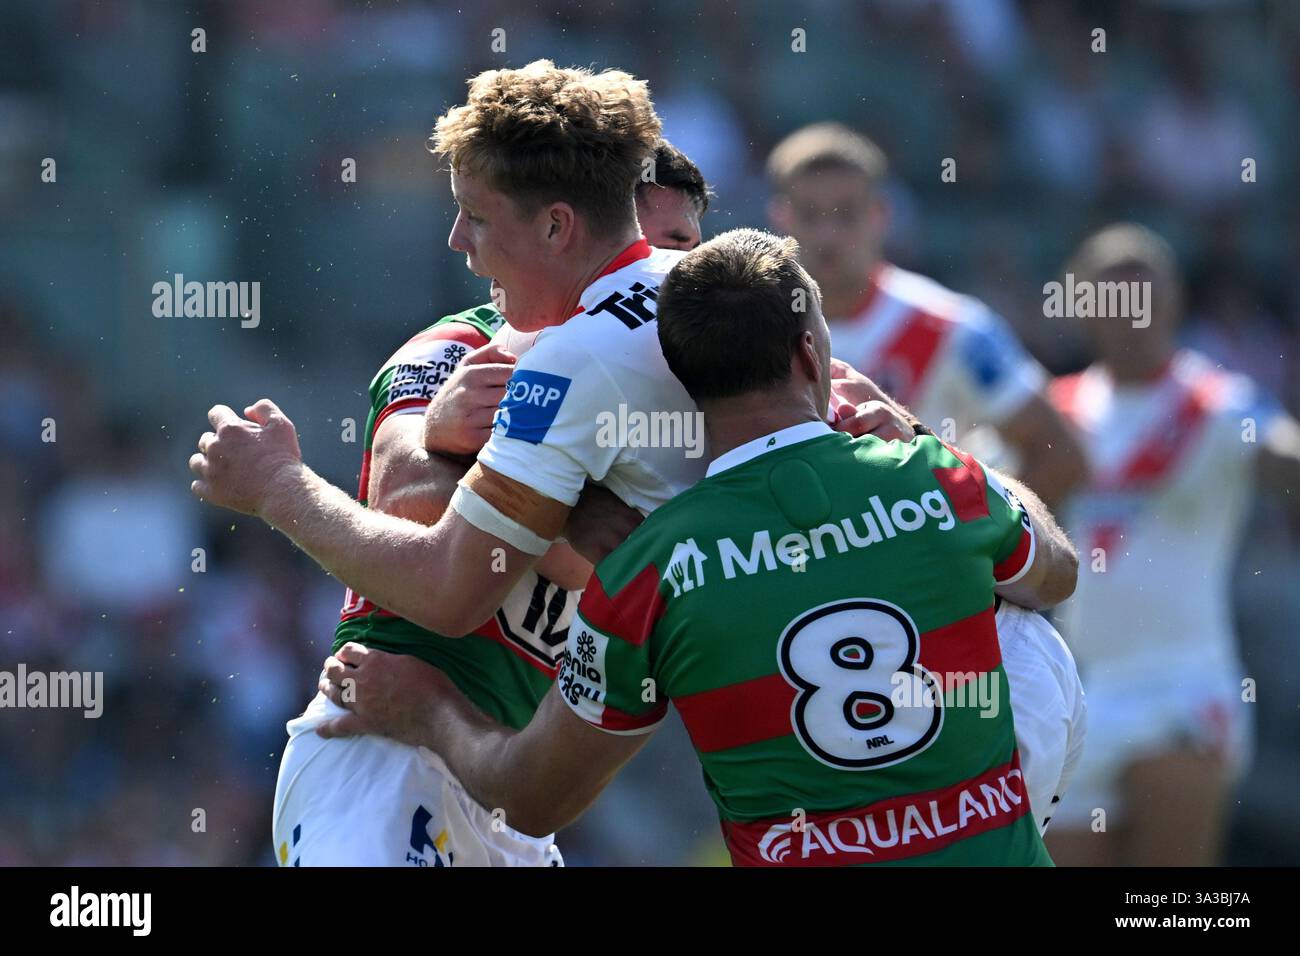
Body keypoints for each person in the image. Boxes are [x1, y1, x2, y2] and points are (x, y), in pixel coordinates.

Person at [315, 229, 1080, 866]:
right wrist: (926, 445)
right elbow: (1058, 570)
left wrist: (426, 710)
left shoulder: (648, 571)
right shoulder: (932, 476)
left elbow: (531, 797)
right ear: (812, 356)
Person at [768, 122, 1089, 830]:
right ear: (779, 217)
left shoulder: (947, 327)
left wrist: (970, 539)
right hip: (816, 637)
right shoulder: (753, 335)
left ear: (882, 216)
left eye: (847, 213)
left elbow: (1061, 451)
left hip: (943, 634)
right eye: (810, 213)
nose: (828, 234)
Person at [1044, 224, 1300, 866]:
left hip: (1183, 689)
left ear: (1175, 302)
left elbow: (1277, 452)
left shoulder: (1214, 404)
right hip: (1080, 695)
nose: (1129, 313)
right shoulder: (1055, 411)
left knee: (1168, 906)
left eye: (1144, 292)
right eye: (1110, 295)